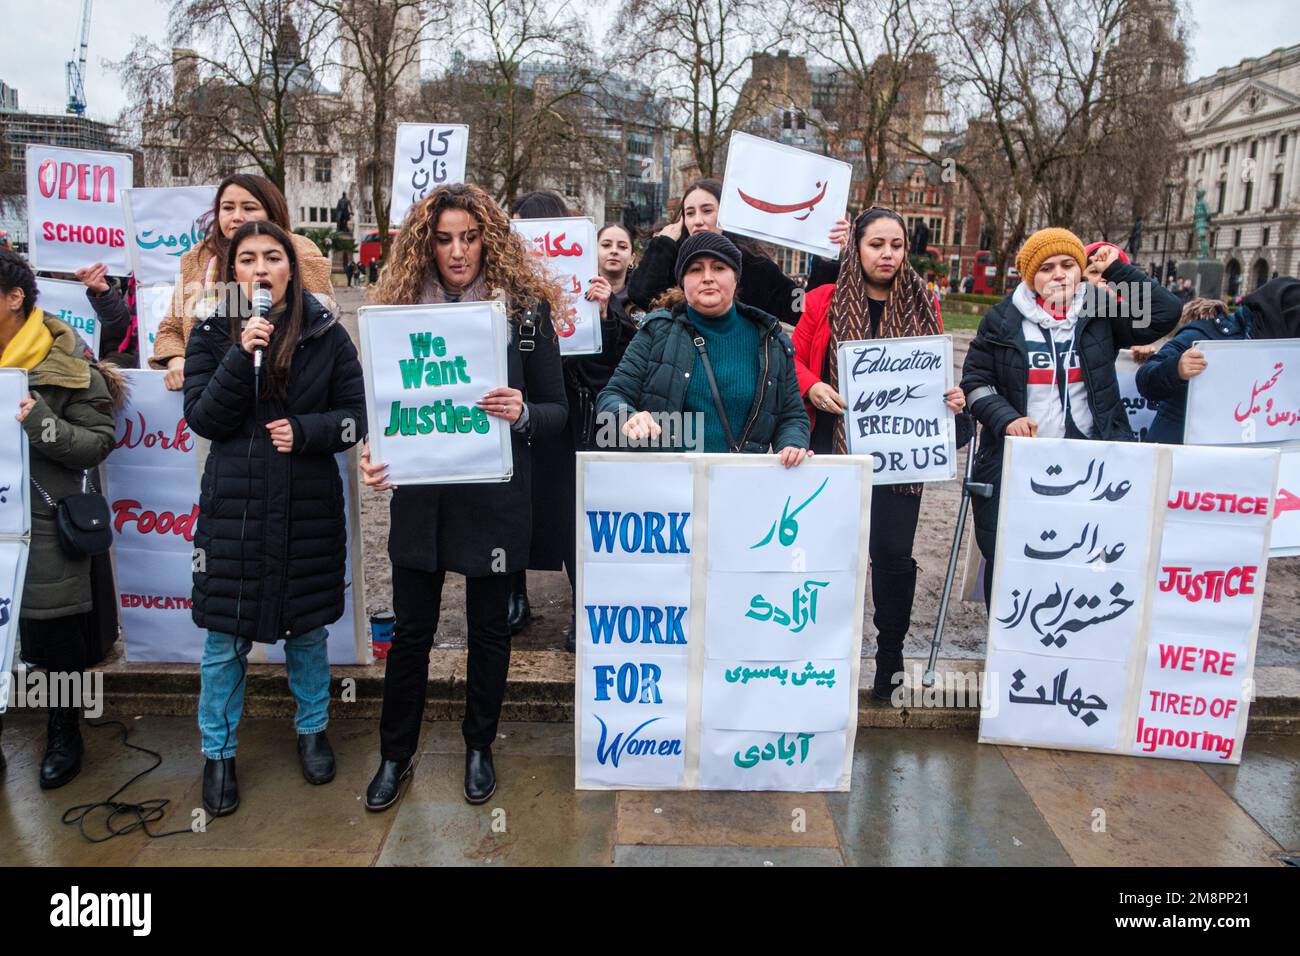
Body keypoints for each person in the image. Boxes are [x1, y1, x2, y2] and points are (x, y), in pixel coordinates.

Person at [359, 183, 567, 811]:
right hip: (422, 499)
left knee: (489, 632)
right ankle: (395, 754)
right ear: (427, 242)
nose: (457, 252)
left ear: (490, 241)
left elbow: (559, 413)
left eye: (470, 238)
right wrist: (373, 451)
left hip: (494, 497)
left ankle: (480, 745)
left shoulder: (524, 314)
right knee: (413, 631)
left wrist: (524, 410)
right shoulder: (397, 314)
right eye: (445, 238)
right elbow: (384, 411)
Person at [182, 221, 365, 817]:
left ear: (291, 266)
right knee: (225, 636)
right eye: (247, 259)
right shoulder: (212, 333)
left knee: (307, 629)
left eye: (273, 258)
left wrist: (308, 432)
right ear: (234, 270)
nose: (261, 269)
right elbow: (205, 419)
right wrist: (242, 354)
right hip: (235, 510)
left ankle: (312, 729)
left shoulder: (327, 334)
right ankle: (219, 752)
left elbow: (354, 419)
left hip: (307, 506)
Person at [791, 208, 967, 699]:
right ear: (857, 248)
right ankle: (821, 659)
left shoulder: (923, 301)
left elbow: (931, 376)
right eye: (876, 244)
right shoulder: (823, 300)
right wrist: (814, 384)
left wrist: (952, 398)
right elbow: (794, 363)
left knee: (892, 556)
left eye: (896, 244)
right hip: (833, 450)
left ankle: (890, 653)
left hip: (899, 456)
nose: (887, 254)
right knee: (830, 556)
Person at [961, 228, 1181, 600]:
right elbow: (975, 382)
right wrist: (1005, 418)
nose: (1059, 274)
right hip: (1019, 463)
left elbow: (1166, 312)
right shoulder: (1002, 318)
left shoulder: (1099, 307)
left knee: (1088, 559)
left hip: (1093, 461)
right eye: (1047, 268)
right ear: (1031, 277)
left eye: (1068, 265)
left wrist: (1117, 271)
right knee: (1011, 561)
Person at [0, 248, 126, 788]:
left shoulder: (67, 361)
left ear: (14, 297)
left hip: (41, 528)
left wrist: (38, 421)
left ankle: (63, 731)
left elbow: (96, 445)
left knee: (55, 642)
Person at [598, 230, 812, 463]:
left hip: (741, 485)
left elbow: (792, 415)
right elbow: (612, 396)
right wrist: (628, 416)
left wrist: (792, 444)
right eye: (696, 269)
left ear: (736, 277)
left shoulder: (771, 340)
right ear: (682, 281)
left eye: (719, 268)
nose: (708, 277)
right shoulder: (656, 332)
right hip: (669, 485)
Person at [150, 174, 333, 390]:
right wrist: (177, 362)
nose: (237, 216)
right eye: (228, 208)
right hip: (210, 389)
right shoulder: (198, 259)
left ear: (272, 213)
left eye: (249, 208)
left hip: (281, 387)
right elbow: (171, 329)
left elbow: (322, 328)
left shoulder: (299, 253)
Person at [627, 178, 847, 320]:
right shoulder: (670, 259)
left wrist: (827, 259)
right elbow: (641, 294)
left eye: (707, 210)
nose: (698, 221)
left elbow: (800, 308)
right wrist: (663, 244)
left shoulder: (754, 265)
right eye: (690, 213)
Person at [1137, 279, 1300, 444]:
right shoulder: (1207, 336)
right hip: (1176, 460)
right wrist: (1176, 369)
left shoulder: (1282, 364)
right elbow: (1146, 379)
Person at [72, 263, 138, 366]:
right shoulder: (40, 282)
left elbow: (125, 339)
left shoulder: (123, 274)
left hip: (107, 365)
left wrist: (104, 294)